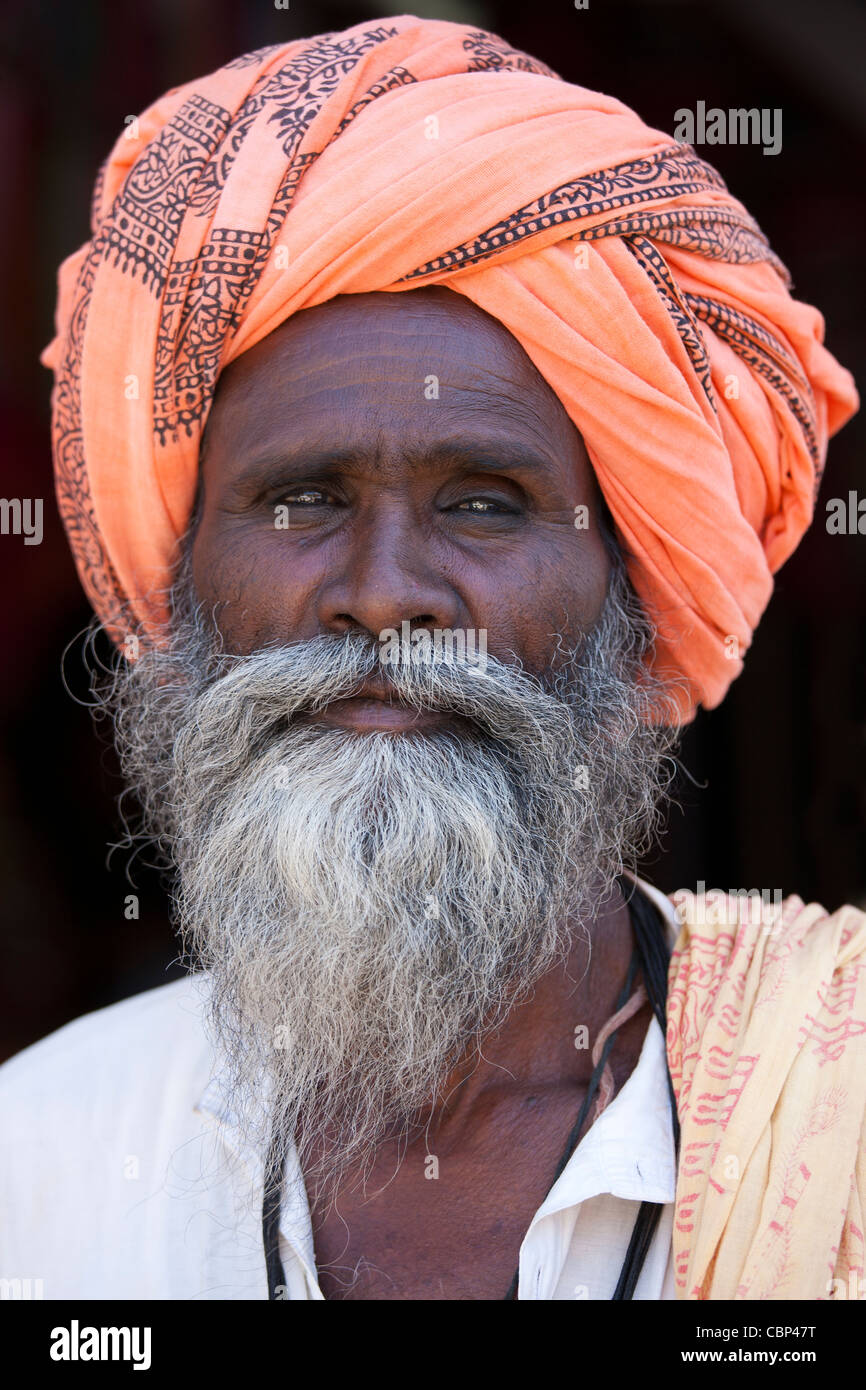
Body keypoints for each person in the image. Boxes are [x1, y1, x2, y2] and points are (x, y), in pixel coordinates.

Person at [2, 14, 864, 1302]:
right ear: (180, 599)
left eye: (483, 503)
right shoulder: (42, 1160)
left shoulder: (834, 1105)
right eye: (301, 499)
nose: (384, 596)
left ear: (632, 598)